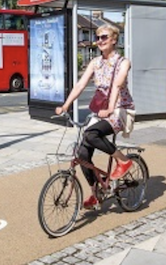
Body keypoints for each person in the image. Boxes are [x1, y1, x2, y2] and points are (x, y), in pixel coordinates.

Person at [55, 24, 135, 209]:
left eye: (104, 37)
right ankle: (95, 192)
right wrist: (65, 106)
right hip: (100, 111)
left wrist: (110, 108)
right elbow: (80, 85)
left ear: (114, 39)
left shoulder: (123, 62)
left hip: (120, 109)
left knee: (91, 134)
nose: (100, 41)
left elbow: (117, 85)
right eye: (98, 38)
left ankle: (123, 160)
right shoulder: (95, 62)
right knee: (82, 153)